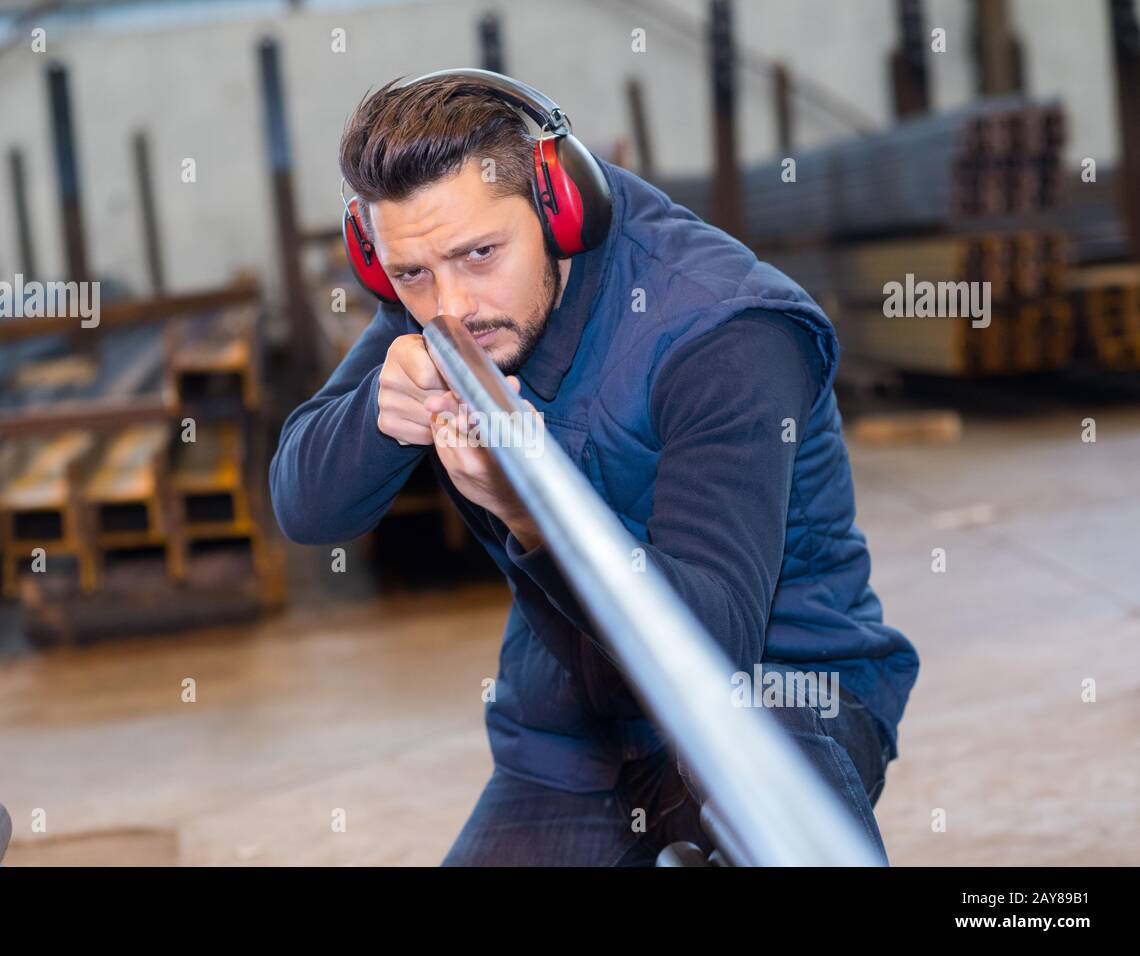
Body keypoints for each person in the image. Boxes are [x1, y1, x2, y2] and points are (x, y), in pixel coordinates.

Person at [269, 70, 919, 866]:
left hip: (778, 705)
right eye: (411, 275)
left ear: (560, 208)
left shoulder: (726, 333)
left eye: (480, 254)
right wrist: (375, 409)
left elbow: (710, 648)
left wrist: (532, 516)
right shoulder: (438, 296)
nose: (450, 310)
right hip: (575, 729)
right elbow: (305, 509)